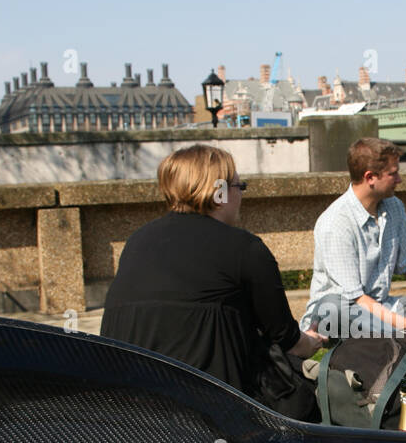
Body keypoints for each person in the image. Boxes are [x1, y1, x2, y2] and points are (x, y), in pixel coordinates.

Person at [101, 144, 326, 416]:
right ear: (220, 191)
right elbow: (285, 337)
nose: (241, 195)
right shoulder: (244, 247)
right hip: (209, 404)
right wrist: (312, 342)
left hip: (127, 399)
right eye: (239, 186)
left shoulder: (138, 240)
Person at [302, 138, 406, 338]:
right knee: (334, 308)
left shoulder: (394, 206)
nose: (399, 179)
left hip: (382, 308)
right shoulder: (335, 223)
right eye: (393, 174)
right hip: (343, 312)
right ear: (370, 177)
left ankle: (400, 332)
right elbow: (355, 298)